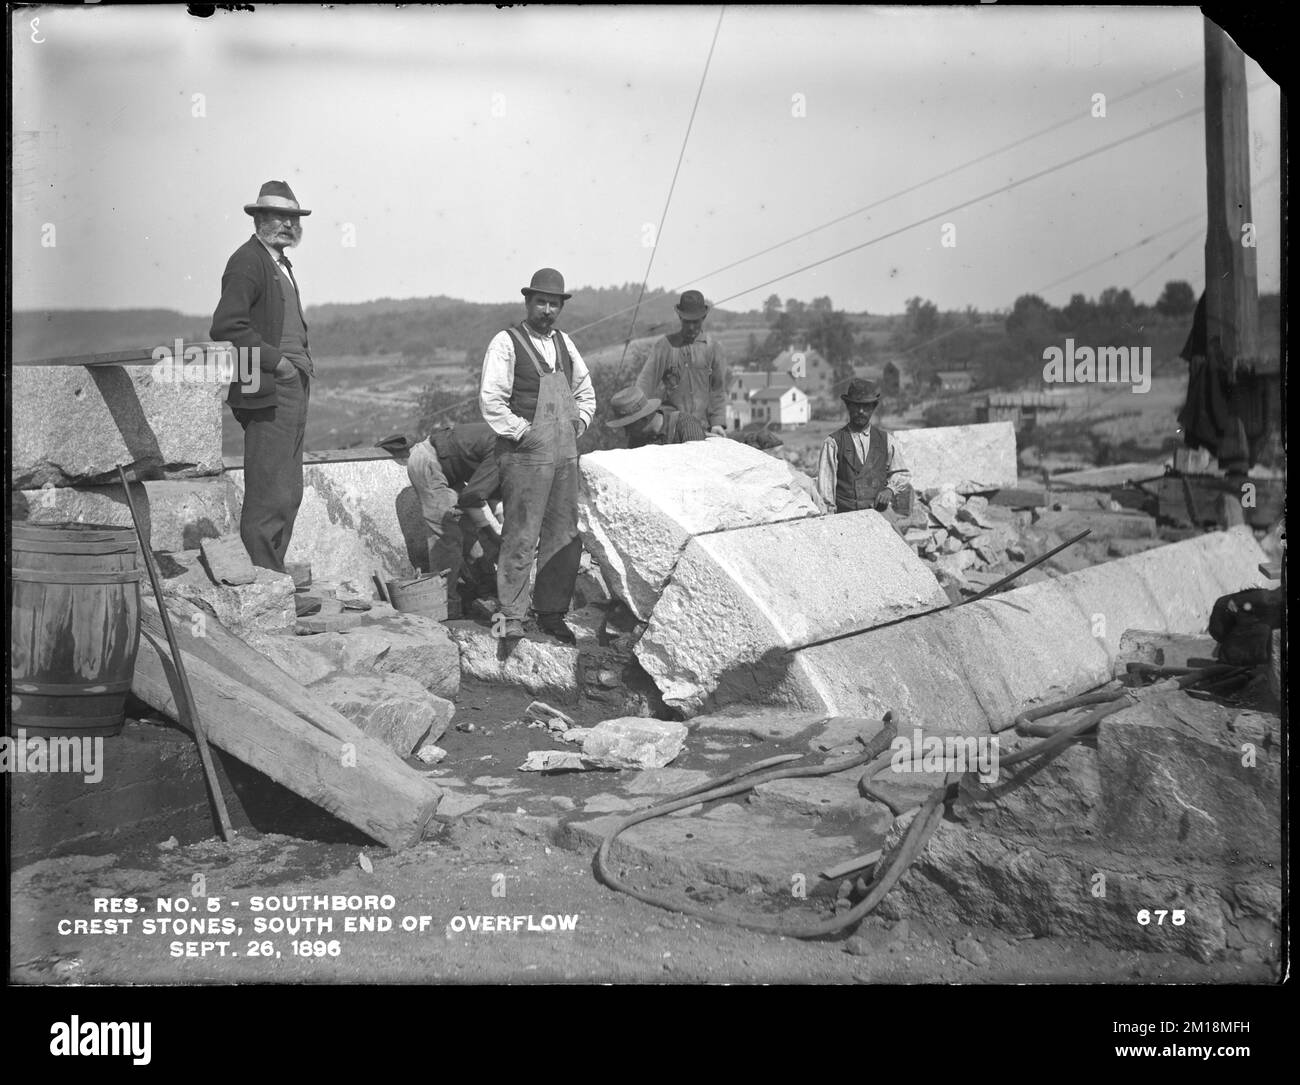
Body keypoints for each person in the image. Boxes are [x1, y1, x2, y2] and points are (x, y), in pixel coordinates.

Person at [479, 268, 595, 644]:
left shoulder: (564, 343)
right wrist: (523, 432)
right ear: (528, 302)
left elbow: (585, 390)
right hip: (525, 455)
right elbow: (491, 400)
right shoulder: (506, 342)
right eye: (541, 302)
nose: (547, 310)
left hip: (564, 452)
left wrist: (580, 421)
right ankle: (510, 616)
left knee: (563, 532)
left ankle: (551, 612)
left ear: (561, 307)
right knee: (521, 533)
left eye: (554, 304)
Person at [210, 180, 314, 573]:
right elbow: (227, 326)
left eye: (293, 217)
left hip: (291, 385)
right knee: (269, 490)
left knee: (288, 490)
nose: (287, 224)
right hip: (268, 385)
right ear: (258, 219)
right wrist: (280, 364)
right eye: (277, 216)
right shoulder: (247, 261)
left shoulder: (277, 263)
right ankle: (265, 584)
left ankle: (275, 579)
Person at [377, 422, 503, 600]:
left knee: (468, 530)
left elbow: (490, 495)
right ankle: (445, 600)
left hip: (451, 470)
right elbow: (474, 497)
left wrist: (499, 527)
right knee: (446, 535)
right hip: (428, 463)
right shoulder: (504, 450)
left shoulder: (509, 449)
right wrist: (494, 533)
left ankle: (487, 587)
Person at [635, 289, 727, 436]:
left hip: (703, 429)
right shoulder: (665, 346)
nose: (691, 327)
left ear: (703, 318)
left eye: (695, 322)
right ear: (680, 317)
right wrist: (638, 416)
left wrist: (717, 423)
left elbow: (718, 390)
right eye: (687, 321)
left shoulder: (713, 349)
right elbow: (645, 382)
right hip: (672, 428)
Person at [815, 379, 912, 514]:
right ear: (848, 406)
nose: (861, 411)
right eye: (856, 406)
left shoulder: (886, 440)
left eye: (866, 407)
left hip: (879, 516)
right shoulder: (833, 443)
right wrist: (830, 518)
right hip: (846, 517)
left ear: (873, 408)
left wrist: (890, 489)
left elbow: (902, 473)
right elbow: (825, 491)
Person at [604, 385, 707, 449]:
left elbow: (698, 464)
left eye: (629, 427)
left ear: (643, 419)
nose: (627, 434)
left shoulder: (685, 425)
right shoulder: (637, 440)